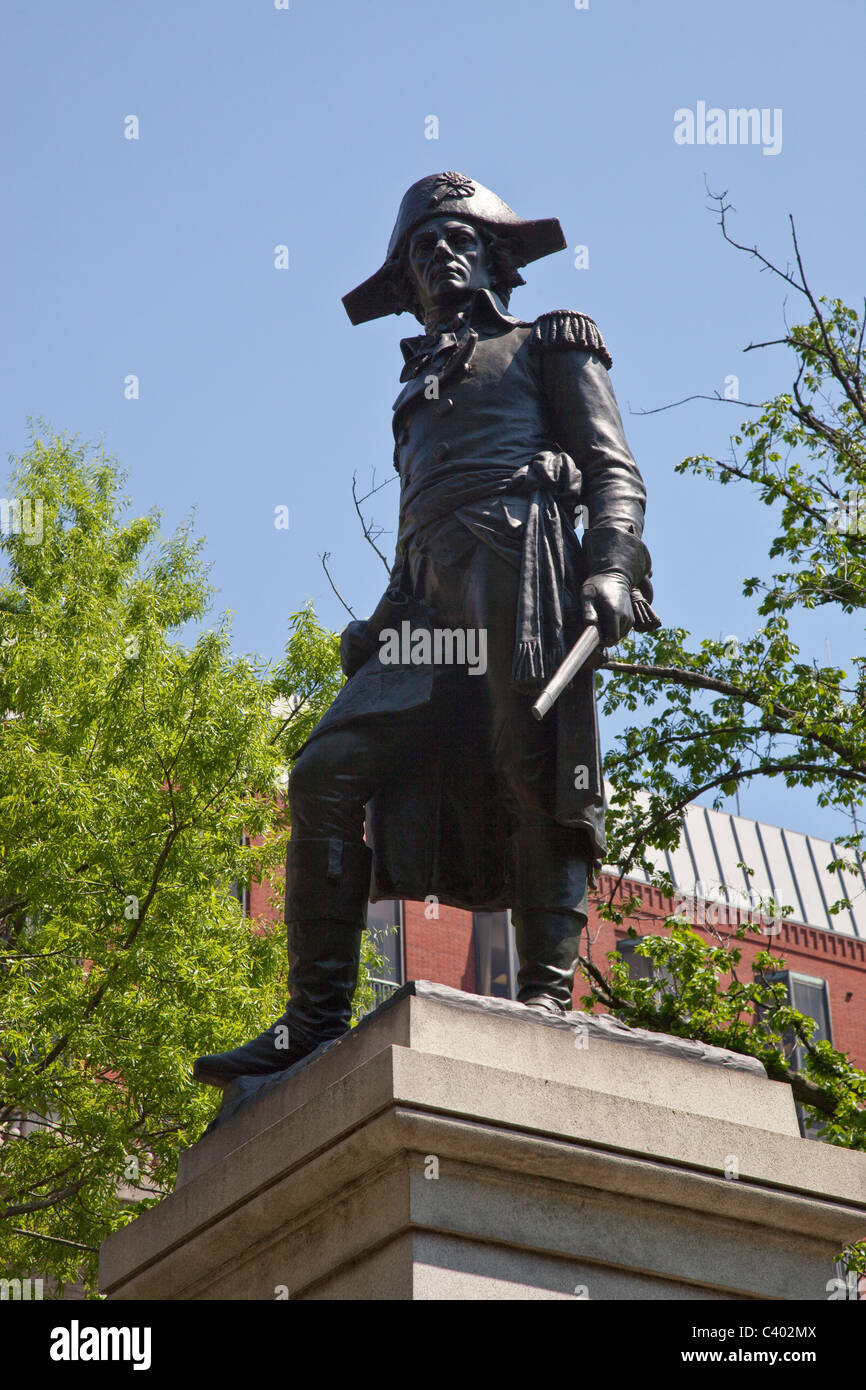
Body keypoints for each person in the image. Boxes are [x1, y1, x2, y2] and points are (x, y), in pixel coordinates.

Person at [194, 172, 653, 1087]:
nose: (440, 254)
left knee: (533, 769)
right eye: (420, 248)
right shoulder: (415, 393)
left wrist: (610, 567)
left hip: (518, 574)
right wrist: (378, 620)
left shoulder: (548, 342)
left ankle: (546, 997)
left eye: (457, 239)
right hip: (425, 606)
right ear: (404, 279)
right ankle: (313, 1024)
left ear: (491, 256)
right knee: (325, 771)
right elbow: (417, 527)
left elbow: (614, 470)